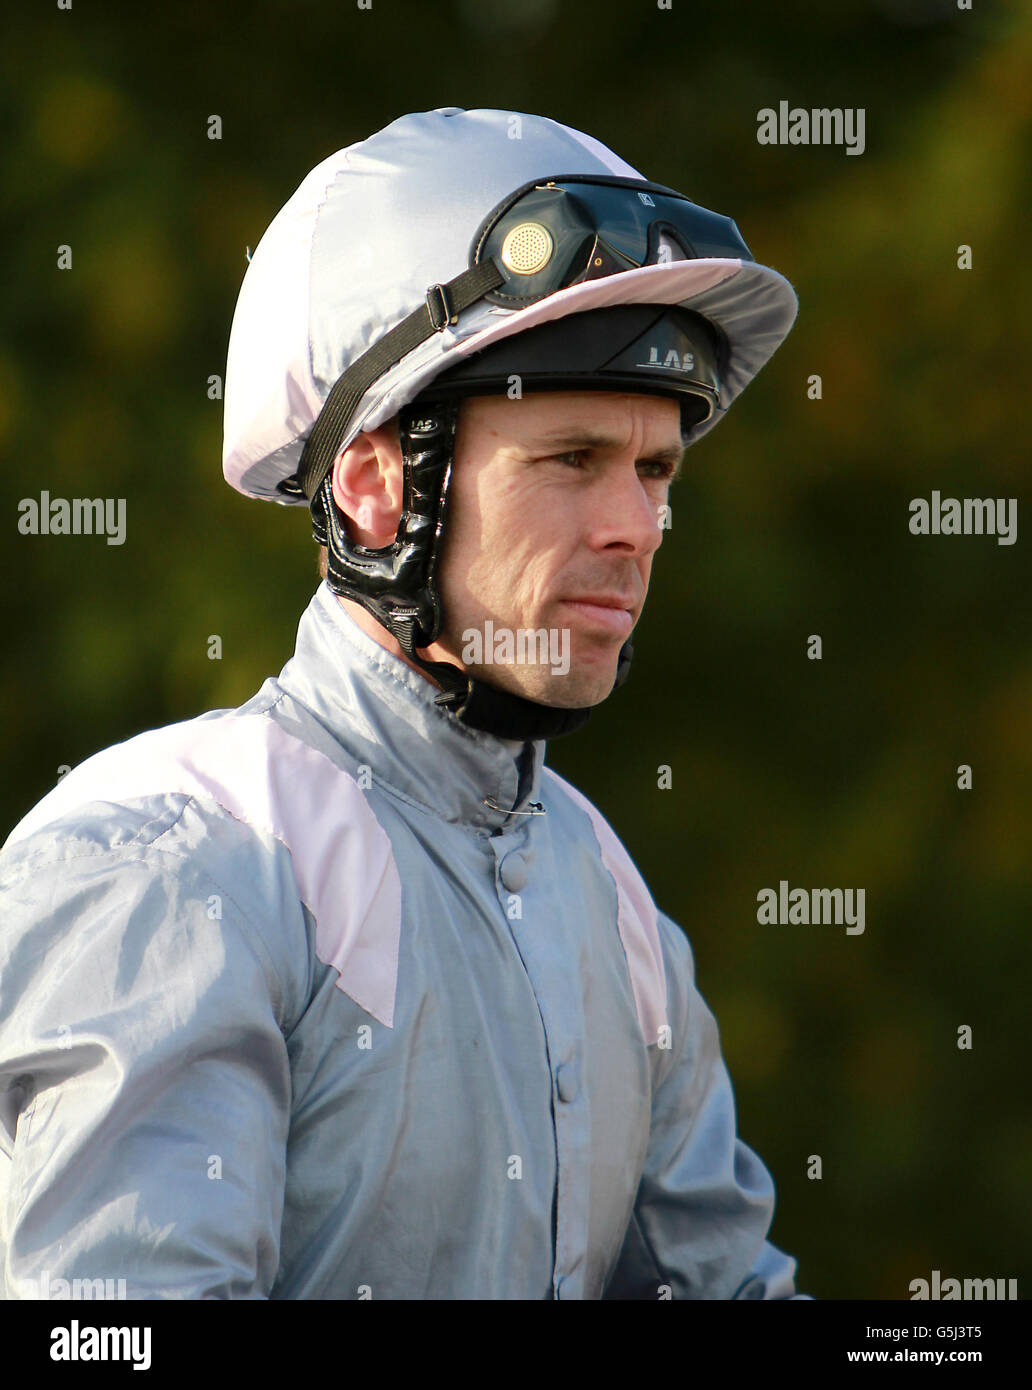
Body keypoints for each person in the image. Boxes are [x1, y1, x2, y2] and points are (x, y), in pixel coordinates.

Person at [0, 107, 809, 1299]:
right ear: (380, 487)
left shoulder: (608, 895)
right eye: (572, 458)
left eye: (655, 470)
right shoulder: (168, 864)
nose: (637, 527)